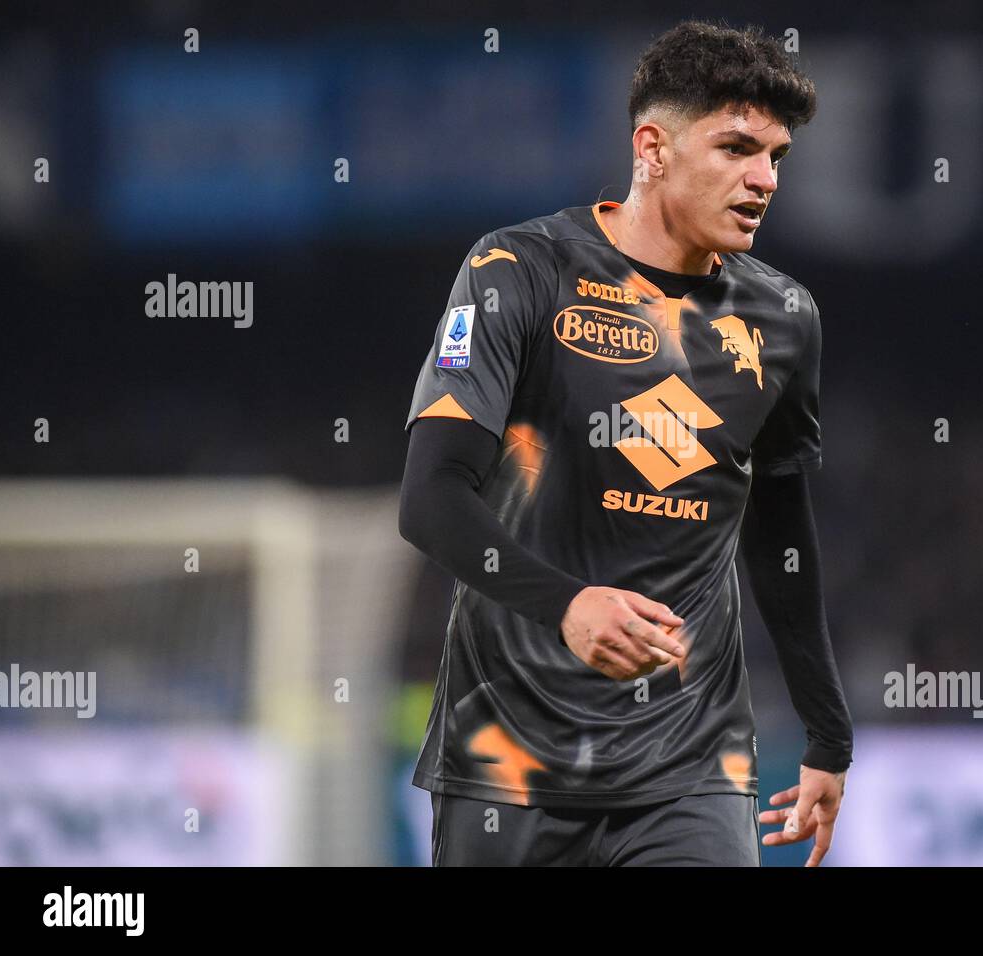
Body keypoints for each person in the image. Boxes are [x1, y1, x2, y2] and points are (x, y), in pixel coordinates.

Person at [399, 19, 852, 866]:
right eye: (736, 148)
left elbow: (780, 532)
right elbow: (431, 500)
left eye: (776, 158)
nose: (763, 179)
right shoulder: (517, 272)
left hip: (692, 768)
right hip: (511, 765)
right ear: (653, 147)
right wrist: (567, 603)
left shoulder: (783, 320)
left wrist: (828, 730)